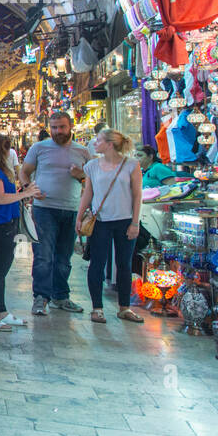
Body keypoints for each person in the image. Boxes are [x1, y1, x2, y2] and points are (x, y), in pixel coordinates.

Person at [21, 110, 91, 316]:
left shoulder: (83, 152)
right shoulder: (39, 148)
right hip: (45, 209)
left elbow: (93, 181)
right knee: (43, 256)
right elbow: (24, 171)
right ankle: (41, 297)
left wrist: (81, 176)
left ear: (70, 127)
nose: (57, 131)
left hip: (71, 209)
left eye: (61, 127)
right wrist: (29, 188)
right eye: (54, 128)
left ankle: (60, 296)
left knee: (64, 257)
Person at [78, 130, 143, 324]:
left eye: (98, 140)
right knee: (97, 264)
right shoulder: (92, 166)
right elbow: (87, 193)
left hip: (125, 220)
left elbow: (137, 195)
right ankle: (97, 308)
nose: (95, 143)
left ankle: (125, 307)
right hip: (100, 221)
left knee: (124, 264)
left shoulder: (131, 165)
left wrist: (135, 222)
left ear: (110, 144)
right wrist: (79, 217)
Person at [0, 133, 41, 330]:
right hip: (0, 225)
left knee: (1, 271)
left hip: (6, 223)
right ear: (3, 150)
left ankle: (1, 312)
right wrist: (25, 193)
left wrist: (21, 194)